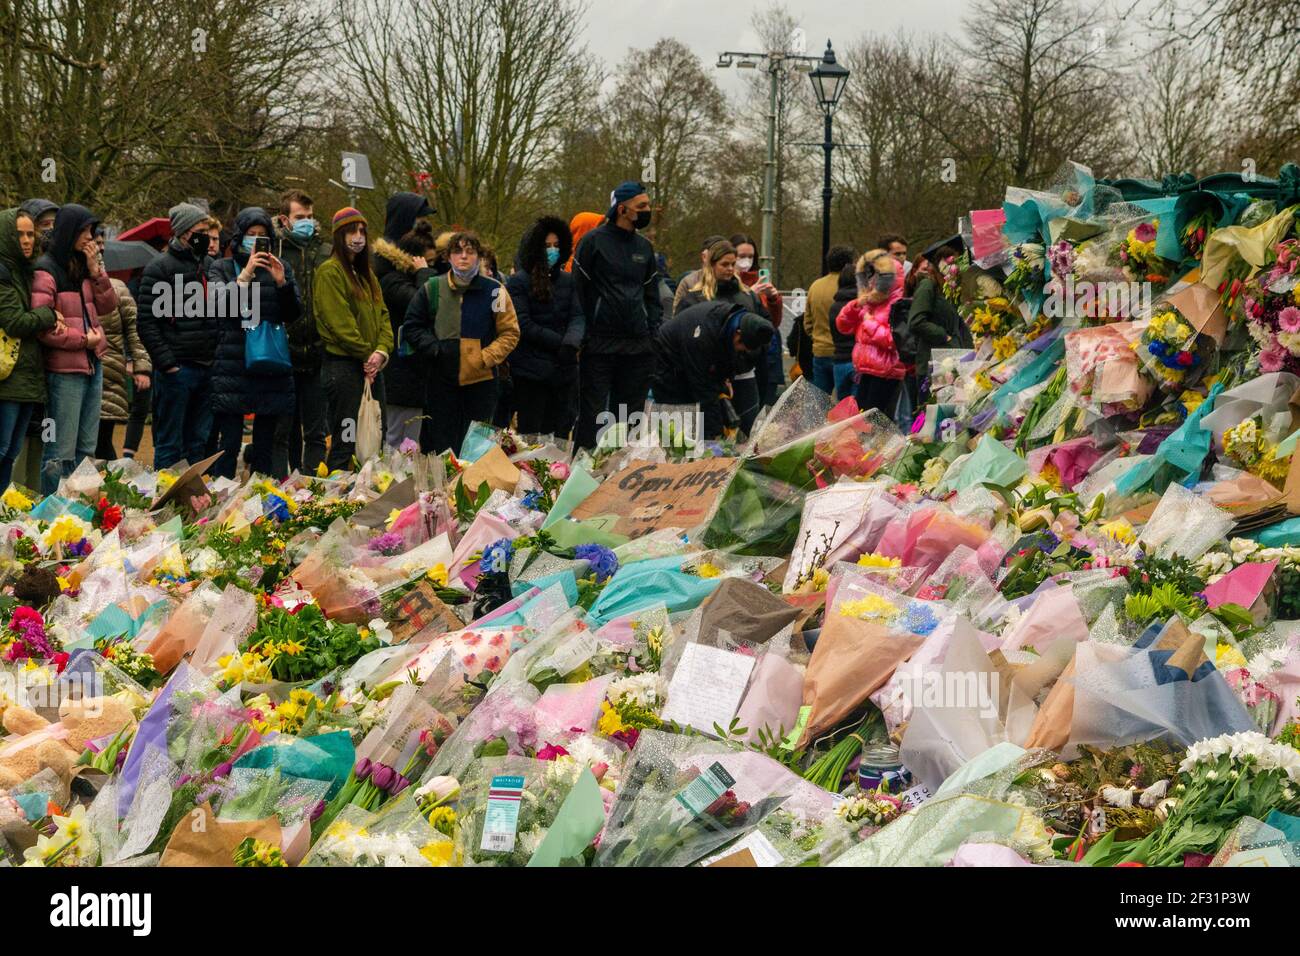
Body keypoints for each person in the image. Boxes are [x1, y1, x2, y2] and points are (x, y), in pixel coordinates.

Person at [401, 230, 519, 454]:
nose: (463, 256)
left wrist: (485, 357)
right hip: (441, 381)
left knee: (477, 447)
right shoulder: (432, 288)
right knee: (441, 445)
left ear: (479, 256)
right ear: (448, 257)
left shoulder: (494, 291)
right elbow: (412, 326)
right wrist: (435, 349)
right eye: (457, 251)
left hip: (482, 382)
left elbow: (509, 333)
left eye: (470, 251)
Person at [207, 207, 302, 479]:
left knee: (265, 446)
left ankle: (259, 503)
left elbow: (293, 314)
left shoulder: (281, 267)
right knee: (229, 443)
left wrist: (282, 283)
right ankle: (221, 500)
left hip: (270, 366)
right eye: (251, 235)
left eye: (262, 235)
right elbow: (219, 308)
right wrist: (245, 275)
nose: (256, 240)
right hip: (233, 365)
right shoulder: (222, 268)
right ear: (240, 237)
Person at [571, 181, 662, 449]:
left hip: (638, 347)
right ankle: (584, 472)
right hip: (599, 345)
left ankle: (623, 471)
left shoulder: (644, 248)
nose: (647, 210)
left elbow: (652, 296)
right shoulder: (592, 242)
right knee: (594, 416)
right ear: (622, 209)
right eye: (642, 206)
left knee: (630, 418)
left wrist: (652, 333)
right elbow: (579, 292)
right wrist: (583, 336)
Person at [31, 204, 111, 494]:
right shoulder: (46, 269)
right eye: (86, 231)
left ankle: (77, 516)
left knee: (86, 449)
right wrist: (82, 340)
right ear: (70, 231)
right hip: (64, 371)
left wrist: (96, 272)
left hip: (92, 364)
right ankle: (51, 515)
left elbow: (108, 306)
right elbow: (43, 326)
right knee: (59, 451)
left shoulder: (84, 269)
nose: (90, 238)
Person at [137, 202, 220, 469]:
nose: (205, 236)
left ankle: (192, 504)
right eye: (199, 230)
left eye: (207, 230)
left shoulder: (210, 266)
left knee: (197, 442)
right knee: (169, 445)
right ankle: (164, 504)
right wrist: (168, 363)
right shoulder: (159, 268)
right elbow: (147, 322)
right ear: (184, 232)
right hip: (177, 371)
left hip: (207, 368)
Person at [315, 207, 391, 471]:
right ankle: (336, 498)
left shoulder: (368, 276)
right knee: (345, 440)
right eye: (351, 231)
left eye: (362, 231)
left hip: (370, 367)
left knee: (374, 437)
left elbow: (383, 317)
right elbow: (340, 323)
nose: (358, 237)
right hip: (344, 368)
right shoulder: (330, 272)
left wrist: (381, 351)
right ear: (339, 235)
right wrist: (366, 355)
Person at [674, 239, 772, 435]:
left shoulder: (747, 296)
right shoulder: (694, 298)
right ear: (712, 265)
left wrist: (751, 355)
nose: (729, 269)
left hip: (743, 374)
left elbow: (765, 330)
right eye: (724, 264)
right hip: (707, 379)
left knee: (749, 433)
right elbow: (683, 338)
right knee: (711, 434)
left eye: (732, 264)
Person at [505, 215, 585, 437]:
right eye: (547, 246)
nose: (552, 250)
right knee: (531, 435)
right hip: (531, 372)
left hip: (564, 371)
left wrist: (572, 342)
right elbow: (523, 323)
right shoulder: (520, 282)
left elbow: (578, 316)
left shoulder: (569, 281)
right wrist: (559, 342)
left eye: (557, 246)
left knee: (560, 434)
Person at [650, 300, 774, 440]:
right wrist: (714, 437)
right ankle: (684, 455)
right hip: (668, 366)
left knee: (710, 411)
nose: (741, 350)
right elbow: (703, 390)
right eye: (741, 345)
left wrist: (726, 378)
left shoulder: (732, 323)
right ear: (737, 333)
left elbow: (726, 356)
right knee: (680, 425)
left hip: (694, 363)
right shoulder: (702, 336)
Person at [0, 208, 60, 491]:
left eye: (29, 234)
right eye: (19, 234)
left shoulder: (24, 272)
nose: (26, 240)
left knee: (10, 453)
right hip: (7, 379)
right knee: (2, 451)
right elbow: (15, 321)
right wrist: (49, 315)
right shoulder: (3, 274)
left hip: (24, 378)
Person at [271, 189, 330, 475]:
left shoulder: (325, 252)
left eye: (310, 216)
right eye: (299, 217)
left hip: (319, 352)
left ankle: (314, 487)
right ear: (285, 219)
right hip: (285, 352)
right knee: (285, 429)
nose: (307, 222)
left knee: (317, 431)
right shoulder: (275, 252)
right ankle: (287, 484)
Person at [373, 192, 437, 448]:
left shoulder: (408, 267)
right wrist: (423, 274)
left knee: (410, 442)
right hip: (399, 367)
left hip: (415, 372)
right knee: (396, 441)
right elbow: (420, 303)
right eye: (417, 221)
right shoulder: (387, 271)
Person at [95, 229, 151, 461]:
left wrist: (139, 365)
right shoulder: (66, 283)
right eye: (92, 242)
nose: (97, 248)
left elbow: (134, 329)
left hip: (109, 378)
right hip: (73, 373)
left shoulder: (118, 288)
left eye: (100, 243)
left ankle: (107, 494)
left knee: (102, 442)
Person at [836, 249, 907, 415]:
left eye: (878, 276)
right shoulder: (870, 302)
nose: (872, 281)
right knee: (861, 419)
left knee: (874, 421)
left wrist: (868, 322)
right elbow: (843, 326)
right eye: (870, 275)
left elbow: (893, 339)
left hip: (886, 373)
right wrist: (854, 307)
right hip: (865, 369)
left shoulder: (899, 305)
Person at [906, 245, 971, 403]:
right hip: (933, 363)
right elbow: (915, 321)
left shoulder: (948, 289)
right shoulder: (928, 286)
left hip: (951, 360)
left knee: (953, 412)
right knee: (933, 415)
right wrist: (944, 336)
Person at [730, 232, 784, 407]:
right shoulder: (729, 282)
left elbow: (774, 323)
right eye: (742, 256)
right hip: (737, 354)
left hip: (764, 354)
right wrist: (749, 295)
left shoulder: (761, 279)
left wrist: (773, 300)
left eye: (750, 257)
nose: (746, 261)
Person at [804, 244, 855, 396]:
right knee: (848, 405)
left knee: (818, 405)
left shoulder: (815, 286)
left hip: (820, 351)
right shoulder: (853, 288)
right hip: (846, 354)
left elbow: (807, 323)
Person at [828, 259, 859, 402]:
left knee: (843, 407)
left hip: (839, 360)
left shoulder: (834, 306)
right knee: (858, 408)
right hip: (857, 361)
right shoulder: (861, 305)